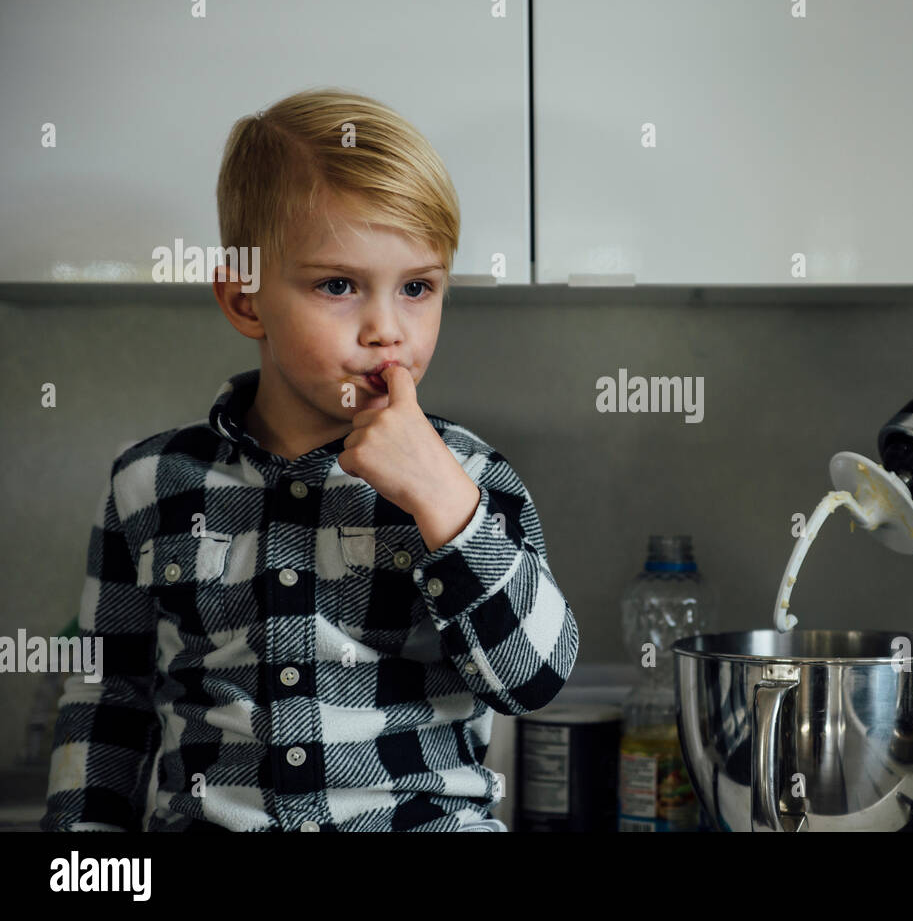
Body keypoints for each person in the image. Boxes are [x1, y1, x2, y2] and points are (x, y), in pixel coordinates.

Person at [40, 88, 578, 832]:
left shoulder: (470, 476)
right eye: (338, 285)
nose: (387, 329)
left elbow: (537, 678)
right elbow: (108, 700)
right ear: (246, 299)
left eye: (417, 287)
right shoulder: (149, 483)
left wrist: (443, 505)